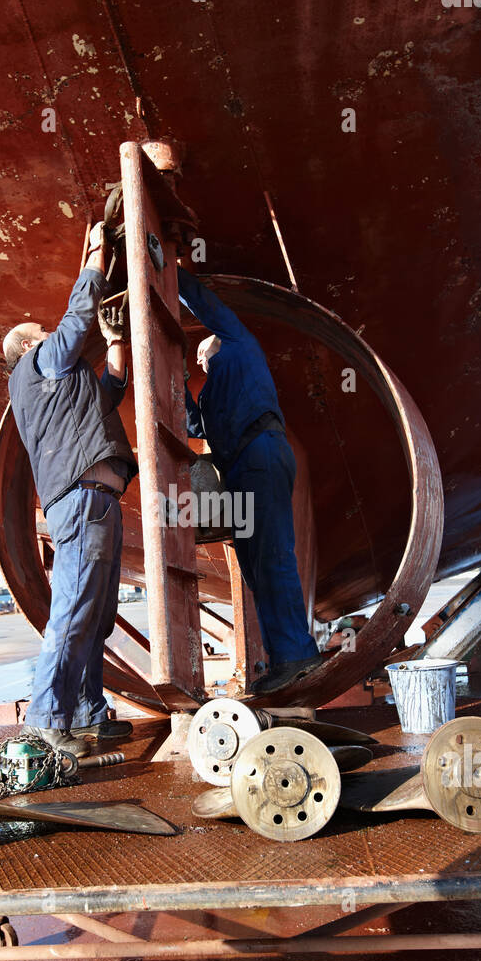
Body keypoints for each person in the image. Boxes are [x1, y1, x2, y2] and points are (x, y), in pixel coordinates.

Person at [2, 222, 138, 754]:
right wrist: (96, 260)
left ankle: (85, 711)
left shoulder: (63, 387)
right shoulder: (38, 365)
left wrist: (115, 344)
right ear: (29, 346)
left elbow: (111, 391)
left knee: (97, 616)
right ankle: (45, 718)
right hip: (82, 502)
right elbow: (76, 318)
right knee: (75, 609)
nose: (51, 337)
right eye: (43, 332)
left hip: (96, 502)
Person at [179, 266, 322, 693]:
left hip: (259, 453)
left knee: (272, 554)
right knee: (255, 566)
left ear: (218, 347)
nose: (202, 365)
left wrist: (173, 277)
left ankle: (298, 656)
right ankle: (286, 657)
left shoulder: (240, 345)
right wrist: (181, 384)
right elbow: (197, 426)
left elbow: (209, 306)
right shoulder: (211, 391)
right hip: (237, 469)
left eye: (203, 358)